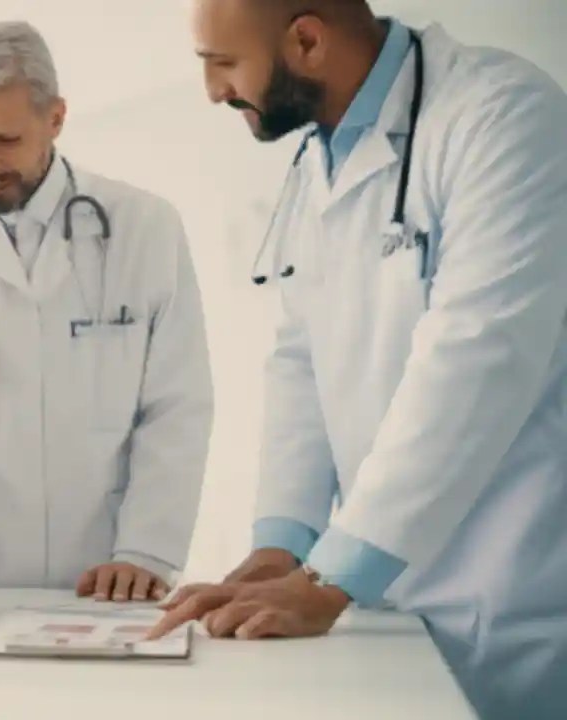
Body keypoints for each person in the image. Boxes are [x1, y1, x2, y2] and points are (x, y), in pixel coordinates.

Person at [148, 2, 567, 718]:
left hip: (513, 594)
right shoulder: (322, 156)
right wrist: (284, 544)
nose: (214, 91)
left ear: (306, 40)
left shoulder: (503, 116)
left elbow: (476, 359)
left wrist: (334, 574)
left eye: (221, 64)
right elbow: (302, 361)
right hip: (386, 602)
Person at [0, 20, 214, 601]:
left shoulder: (144, 227)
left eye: (5, 139)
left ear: (55, 119)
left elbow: (177, 404)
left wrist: (146, 549)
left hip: (112, 569)